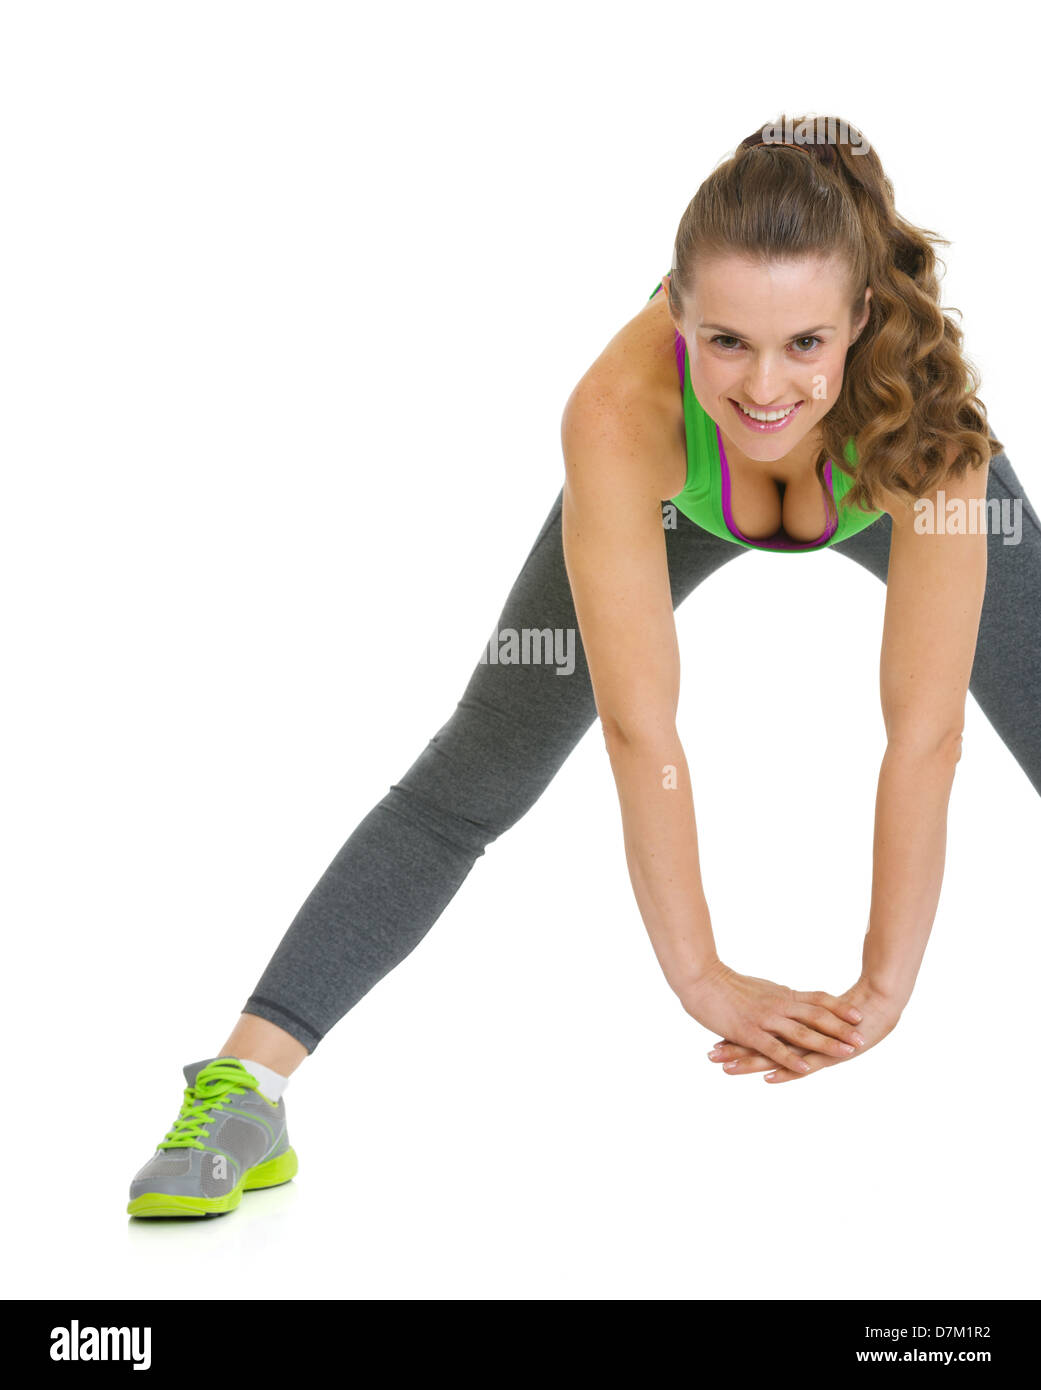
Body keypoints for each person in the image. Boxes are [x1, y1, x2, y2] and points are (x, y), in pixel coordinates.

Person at [128, 114, 1041, 1218]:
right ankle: (247, 1086)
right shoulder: (620, 414)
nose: (762, 387)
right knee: (478, 766)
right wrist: (699, 973)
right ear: (677, 309)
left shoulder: (934, 434)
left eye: (805, 342)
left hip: (874, 465)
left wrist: (884, 986)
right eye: (725, 341)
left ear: (861, 317)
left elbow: (923, 735)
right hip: (677, 498)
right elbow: (641, 727)